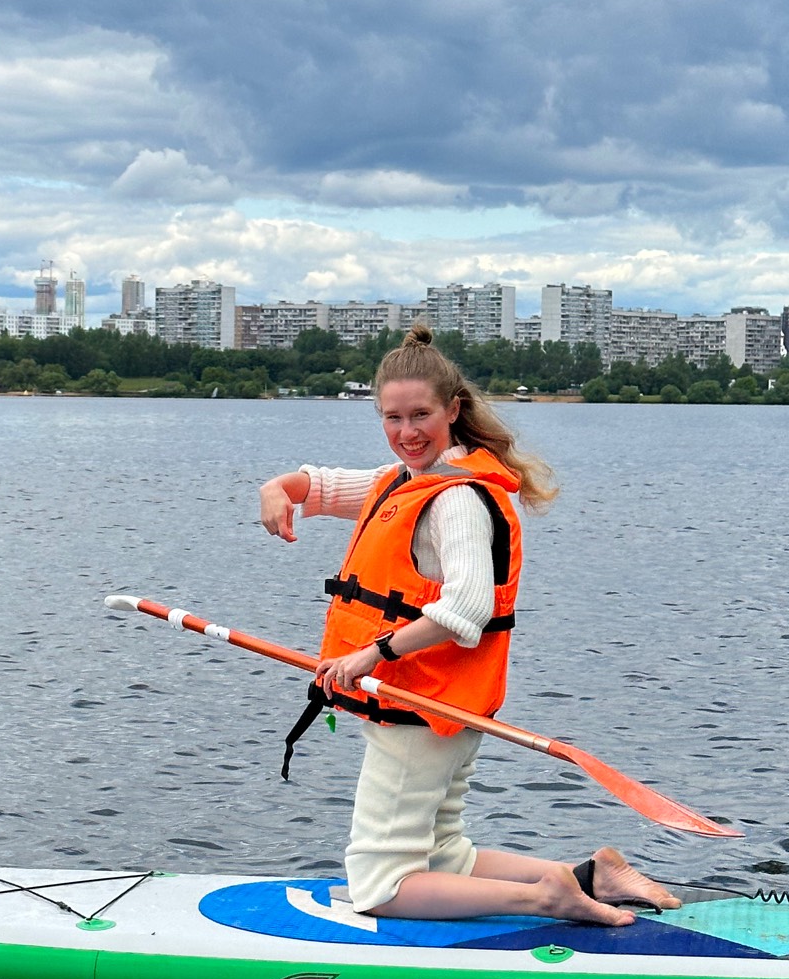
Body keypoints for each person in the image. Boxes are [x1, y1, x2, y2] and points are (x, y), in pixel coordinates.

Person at [258, 324, 679, 927]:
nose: (407, 432)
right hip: (445, 706)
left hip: (418, 705)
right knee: (442, 850)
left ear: (453, 410)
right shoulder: (403, 480)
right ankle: (592, 875)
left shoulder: (454, 500)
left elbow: (467, 611)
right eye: (391, 418)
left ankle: (547, 897)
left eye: (421, 415)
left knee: (380, 884)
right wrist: (276, 489)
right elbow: (319, 487)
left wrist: (369, 655)